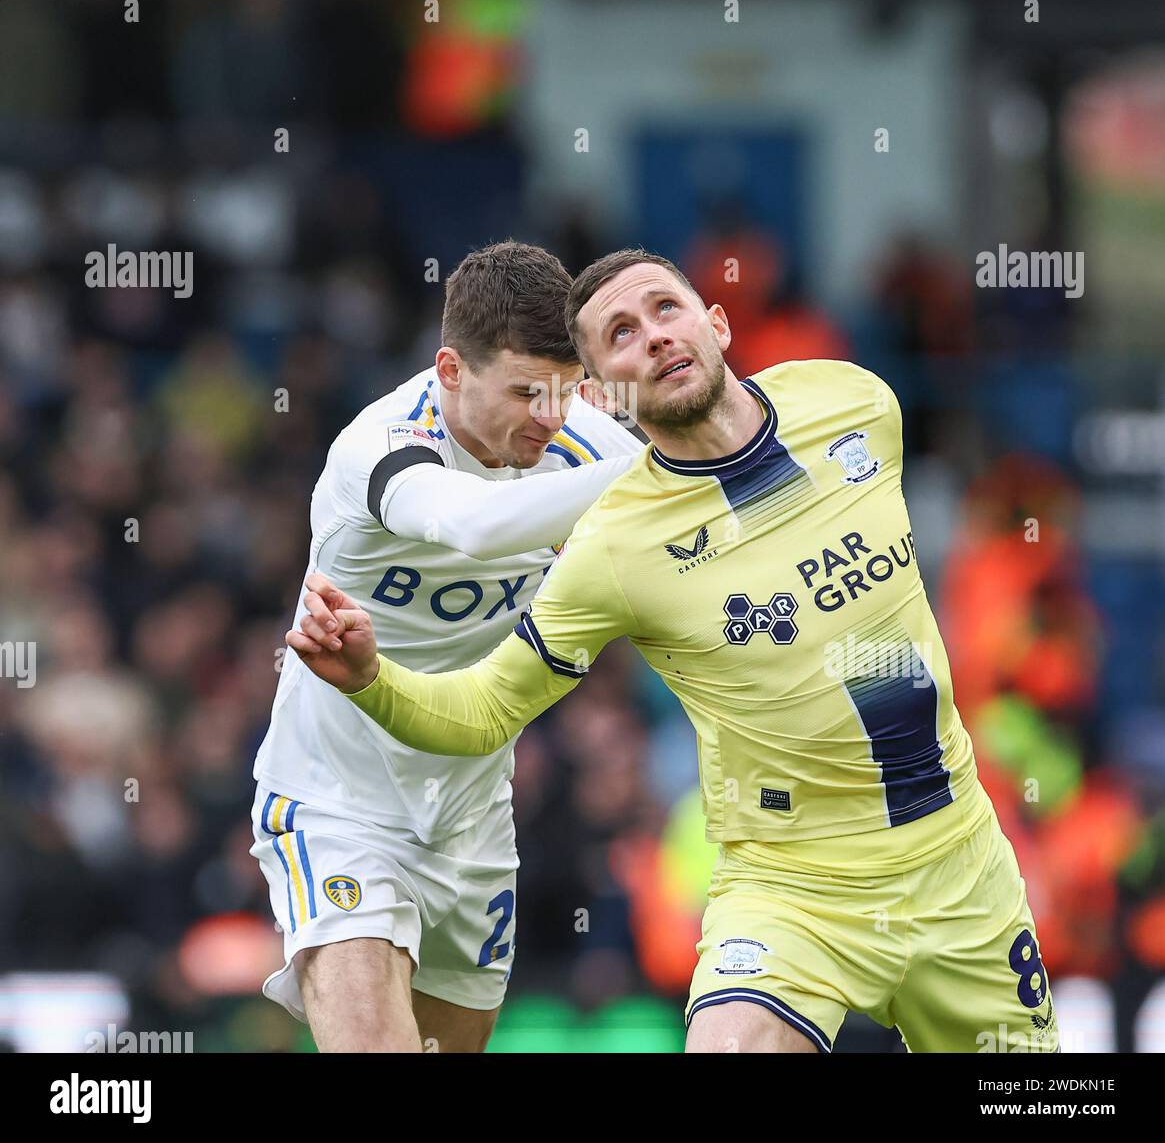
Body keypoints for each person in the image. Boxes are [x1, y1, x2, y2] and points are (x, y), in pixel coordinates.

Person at [287, 247, 1059, 1055]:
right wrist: (372, 679)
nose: (652, 337)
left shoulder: (856, 402)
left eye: (664, 309)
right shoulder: (615, 546)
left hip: (958, 860)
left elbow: (867, 619)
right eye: (620, 333)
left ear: (715, 323)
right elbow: (484, 708)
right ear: (599, 393)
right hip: (790, 890)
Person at [252, 241, 640, 1052]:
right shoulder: (380, 445)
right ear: (451, 368)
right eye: (528, 391)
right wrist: (665, 472)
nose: (553, 417)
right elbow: (473, 526)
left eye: (569, 391)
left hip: (471, 824)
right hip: (337, 806)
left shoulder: (581, 446)